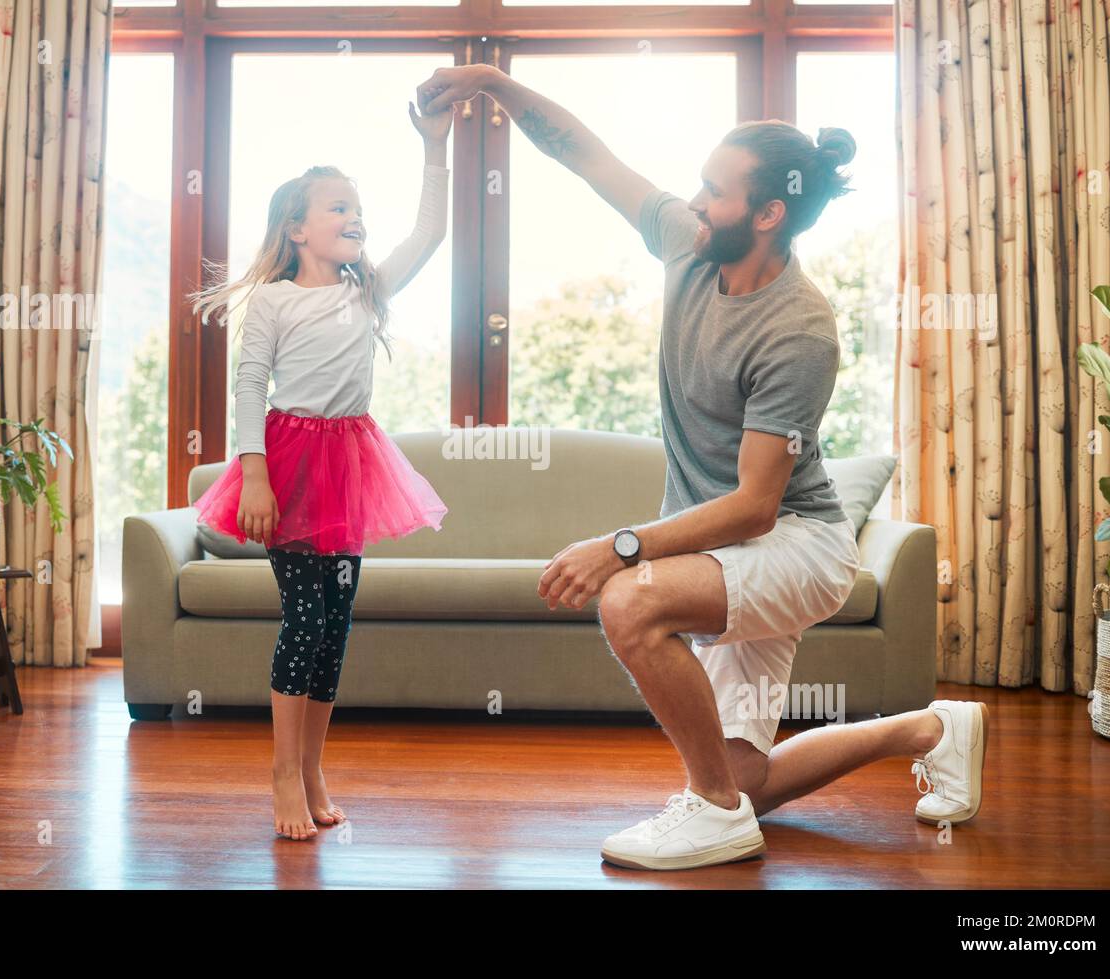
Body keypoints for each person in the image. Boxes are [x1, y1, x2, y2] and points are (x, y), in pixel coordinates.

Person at [416, 64, 989, 871]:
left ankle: (712, 812)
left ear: (768, 213)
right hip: (728, 553)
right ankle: (929, 729)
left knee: (629, 602)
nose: (692, 201)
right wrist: (493, 84)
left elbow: (757, 507)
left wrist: (618, 546)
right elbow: (586, 154)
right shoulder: (689, 245)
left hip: (795, 545)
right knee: (749, 778)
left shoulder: (799, 329)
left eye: (713, 190)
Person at [189, 100, 456, 841]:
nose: (356, 216)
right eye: (340, 206)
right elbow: (249, 388)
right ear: (297, 229)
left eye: (359, 207)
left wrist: (434, 148)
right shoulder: (274, 300)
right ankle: (280, 771)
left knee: (335, 625)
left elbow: (431, 231)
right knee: (303, 620)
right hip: (291, 465)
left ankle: (312, 768)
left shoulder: (364, 290)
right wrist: (257, 477)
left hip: (351, 461)